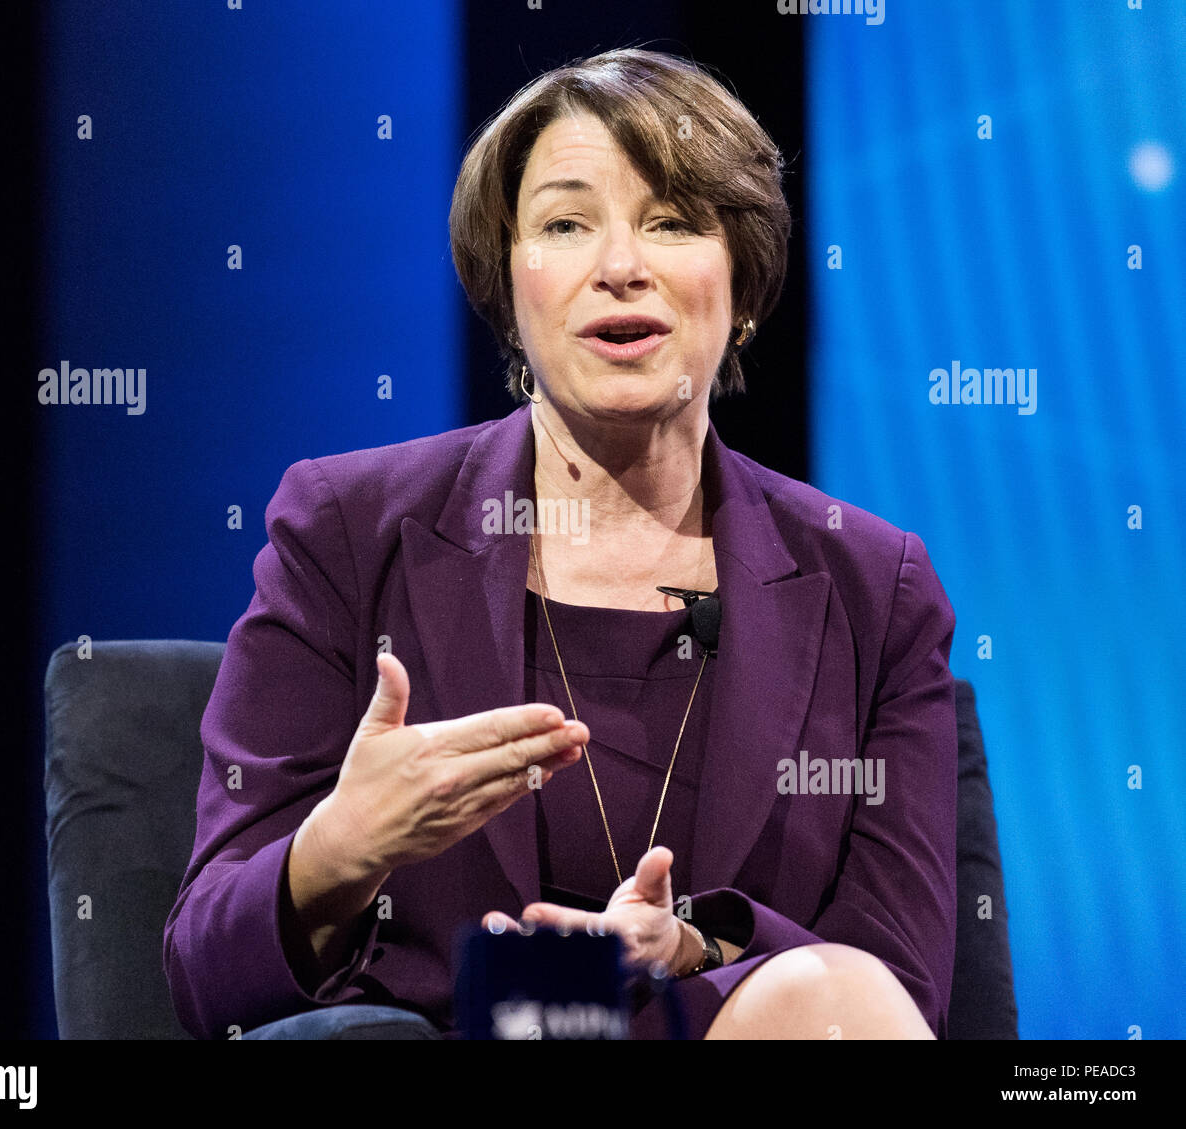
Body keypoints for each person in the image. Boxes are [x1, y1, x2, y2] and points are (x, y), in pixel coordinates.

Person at [163, 46, 957, 1041]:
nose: (618, 265)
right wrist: (339, 849)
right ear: (509, 286)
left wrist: (697, 951)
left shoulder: (871, 585)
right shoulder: (347, 531)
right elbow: (200, 974)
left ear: (744, 287)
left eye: (669, 222)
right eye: (566, 223)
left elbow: (900, 981)